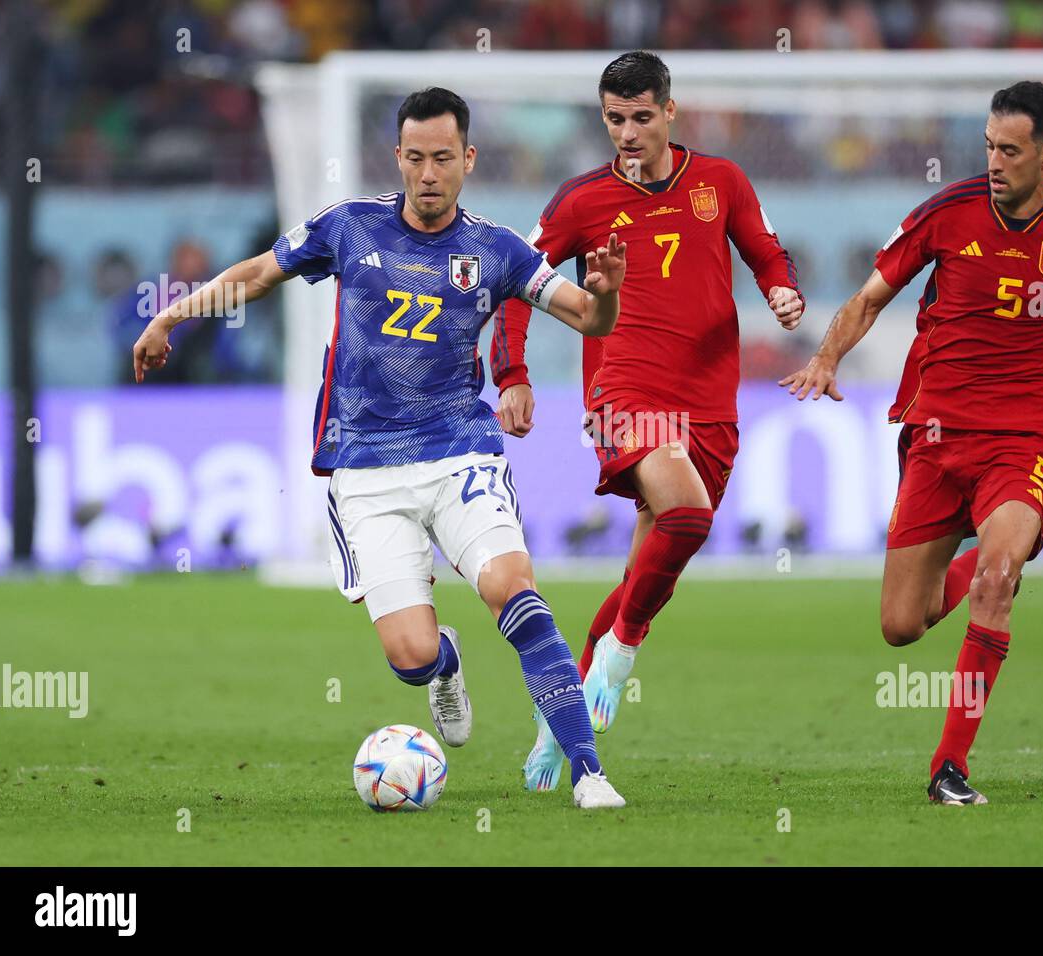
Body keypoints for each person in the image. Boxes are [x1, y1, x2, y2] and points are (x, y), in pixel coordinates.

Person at [132, 87, 629, 809]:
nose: (429, 174)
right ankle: (446, 662)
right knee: (411, 657)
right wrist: (174, 315)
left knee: (513, 592)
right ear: (398, 157)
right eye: (416, 158)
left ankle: (589, 773)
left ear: (469, 159)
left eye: (444, 159)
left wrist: (607, 294)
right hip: (364, 465)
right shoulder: (349, 227)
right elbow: (259, 274)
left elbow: (588, 317)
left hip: (459, 447)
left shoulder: (496, 249)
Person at [782, 81, 1043, 805]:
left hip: (1023, 441)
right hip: (936, 437)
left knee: (995, 583)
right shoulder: (945, 211)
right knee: (903, 626)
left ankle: (948, 768)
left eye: (1011, 150)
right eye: (989, 145)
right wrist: (828, 357)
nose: (994, 160)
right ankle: (999, 558)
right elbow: (870, 296)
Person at [492, 51, 804, 790]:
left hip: (711, 402)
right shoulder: (580, 201)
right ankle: (623, 651)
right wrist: (513, 375)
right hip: (621, 394)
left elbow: (764, 253)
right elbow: (516, 283)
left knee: (646, 564)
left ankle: (555, 716)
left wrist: (782, 290)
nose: (627, 133)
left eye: (639, 117)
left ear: (669, 110)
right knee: (688, 517)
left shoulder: (721, 182)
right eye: (613, 120)